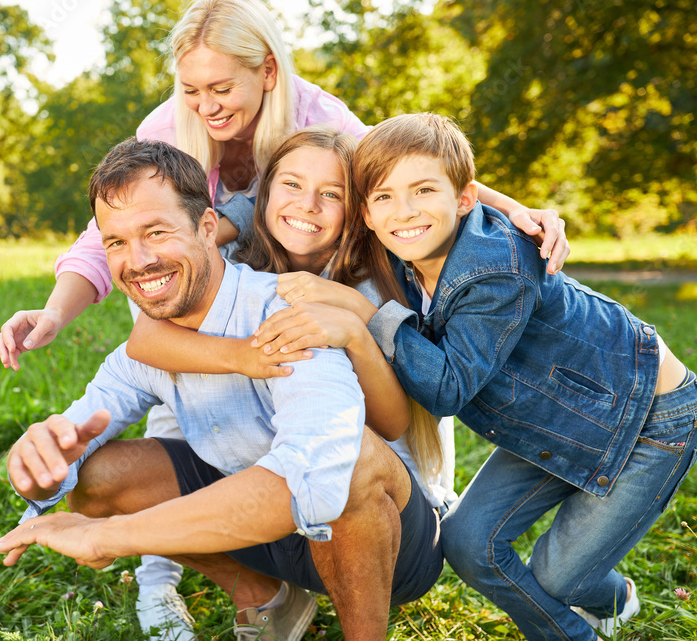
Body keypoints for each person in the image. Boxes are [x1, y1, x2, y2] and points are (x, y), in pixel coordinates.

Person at [0, 0, 565, 636]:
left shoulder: (325, 279)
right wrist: (41, 474)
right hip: (263, 458)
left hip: (381, 514)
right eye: (191, 89)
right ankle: (264, 596)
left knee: (339, 460)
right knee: (110, 464)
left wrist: (509, 210)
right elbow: (119, 254)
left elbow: (414, 170)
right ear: (251, 208)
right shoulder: (172, 141)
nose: (205, 104)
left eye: (221, 87)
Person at [255, 112, 697, 641]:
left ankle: (584, 607)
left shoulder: (495, 268)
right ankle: (611, 598)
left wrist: (362, 312)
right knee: (468, 543)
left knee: (557, 576)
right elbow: (407, 173)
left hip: (647, 414)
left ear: (465, 199)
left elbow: (447, 389)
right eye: (385, 198)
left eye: (423, 191)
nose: (406, 211)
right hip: (553, 419)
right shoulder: (404, 249)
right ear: (366, 212)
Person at [0, 138, 445, 641]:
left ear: (208, 228)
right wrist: (36, 469)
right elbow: (70, 446)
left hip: (387, 541)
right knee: (98, 473)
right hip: (269, 535)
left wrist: (109, 538)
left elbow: (312, 476)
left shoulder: (290, 315)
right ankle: (266, 599)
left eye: (156, 232)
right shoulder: (145, 348)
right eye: (117, 243)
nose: (138, 260)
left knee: (352, 458)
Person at [125, 125, 456, 513]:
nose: (308, 205)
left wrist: (355, 332)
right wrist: (248, 356)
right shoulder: (239, 263)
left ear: (359, 211)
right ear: (264, 194)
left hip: (387, 495)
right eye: (292, 185)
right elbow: (145, 340)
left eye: (331, 194)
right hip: (284, 474)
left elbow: (393, 425)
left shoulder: (375, 287)